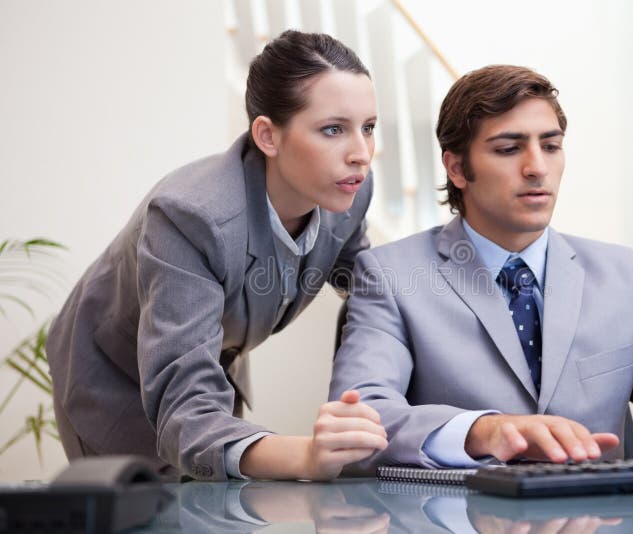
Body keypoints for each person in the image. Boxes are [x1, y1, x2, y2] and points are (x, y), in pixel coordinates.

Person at [329, 65, 633, 472]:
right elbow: (361, 418)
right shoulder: (389, 274)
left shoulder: (625, 274)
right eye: (509, 149)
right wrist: (485, 431)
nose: (537, 167)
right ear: (457, 168)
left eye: (550, 146)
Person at [46, 30, 388, 481]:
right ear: (267, 135)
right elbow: (186, 412)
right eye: (333, 129)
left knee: (222, 505)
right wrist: (306, 456)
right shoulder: (189, 216)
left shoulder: (350, 196)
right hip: (113, 382)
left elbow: (369, 285)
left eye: (368, 128)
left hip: (210, 365)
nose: (361, 155)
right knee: (152, 515)